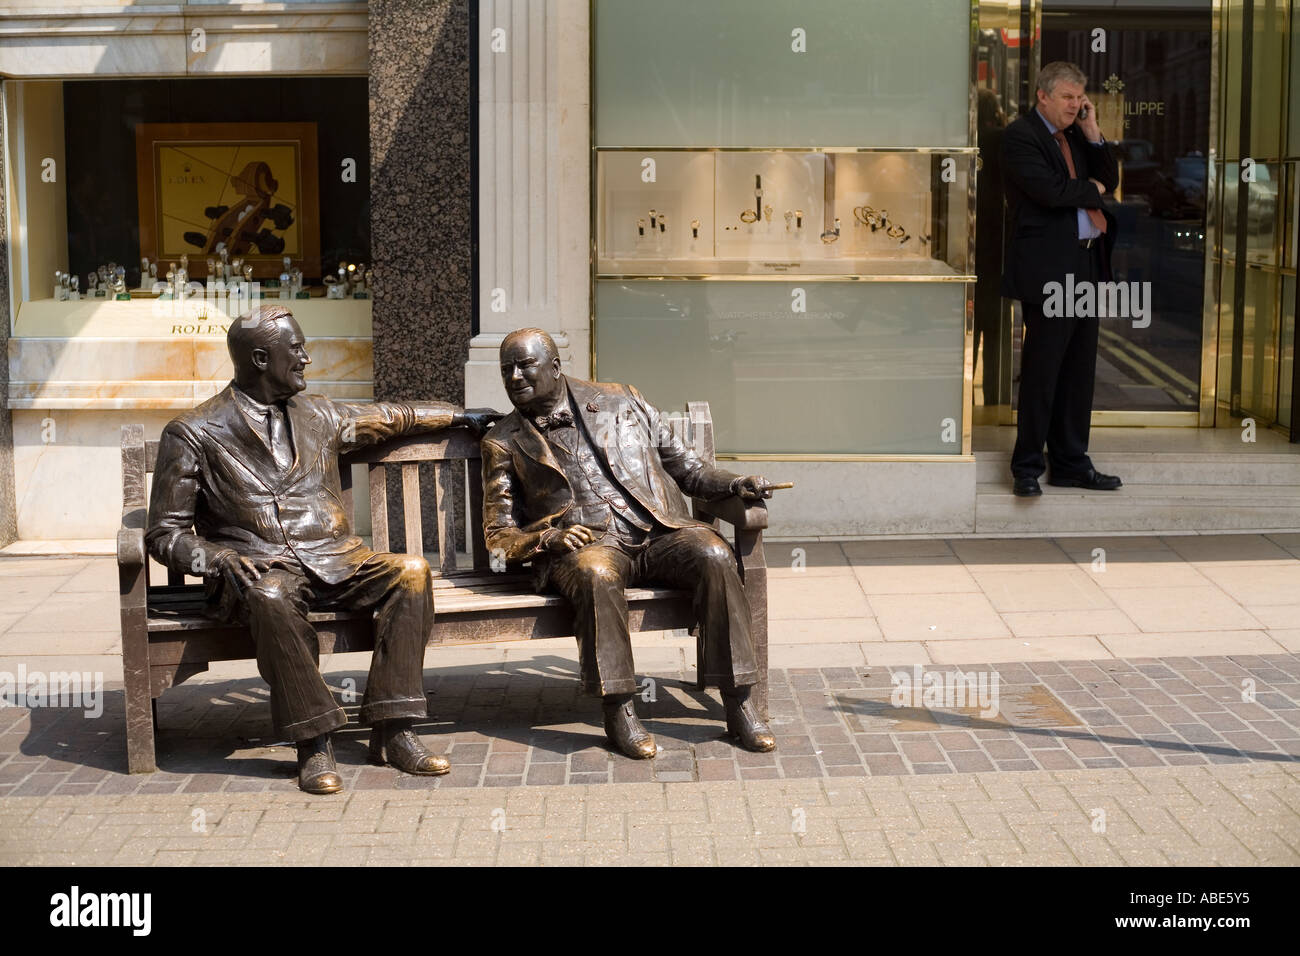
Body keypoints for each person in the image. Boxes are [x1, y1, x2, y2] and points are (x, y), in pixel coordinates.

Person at [146, 304, 498, 794]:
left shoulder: (320, 415)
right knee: (270, 598)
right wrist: (219, 559)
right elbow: (164, 533)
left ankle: (394, 729)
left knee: (412, 571)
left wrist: (460, 416)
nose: (307, 358)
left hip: (338, 558)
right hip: (262, 570)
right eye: (297, 349)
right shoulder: (195, 432)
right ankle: (313, 741)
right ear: (262, 359)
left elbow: (393, 417)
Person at [481, 328, 776, 758]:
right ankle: (619, 708)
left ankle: (739, 703)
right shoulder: (502, 440)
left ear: (556, 367)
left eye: (525, 365)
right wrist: (549, 538)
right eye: (506, 368)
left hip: (657, 532)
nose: (514, 376)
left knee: (713, 553)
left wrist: (737, 483)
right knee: (596, 573)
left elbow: (689, 470)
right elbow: (498, 537)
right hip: (586, 547)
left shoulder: (623, 400)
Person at [1001, 61, 1123, 497]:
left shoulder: (1076, 134)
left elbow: (1109, 179)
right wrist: (1094, 190)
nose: (1075, 105)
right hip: (1049, 270)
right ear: (1044, 97)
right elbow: (1049, 191)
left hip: (1086, 265)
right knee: (1043, 369)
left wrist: (1093, 133)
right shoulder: (1020, 136)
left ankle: (1071, 462)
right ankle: (1027, 466)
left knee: (1079, 370)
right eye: (1068, 97)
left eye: (1080, 98)